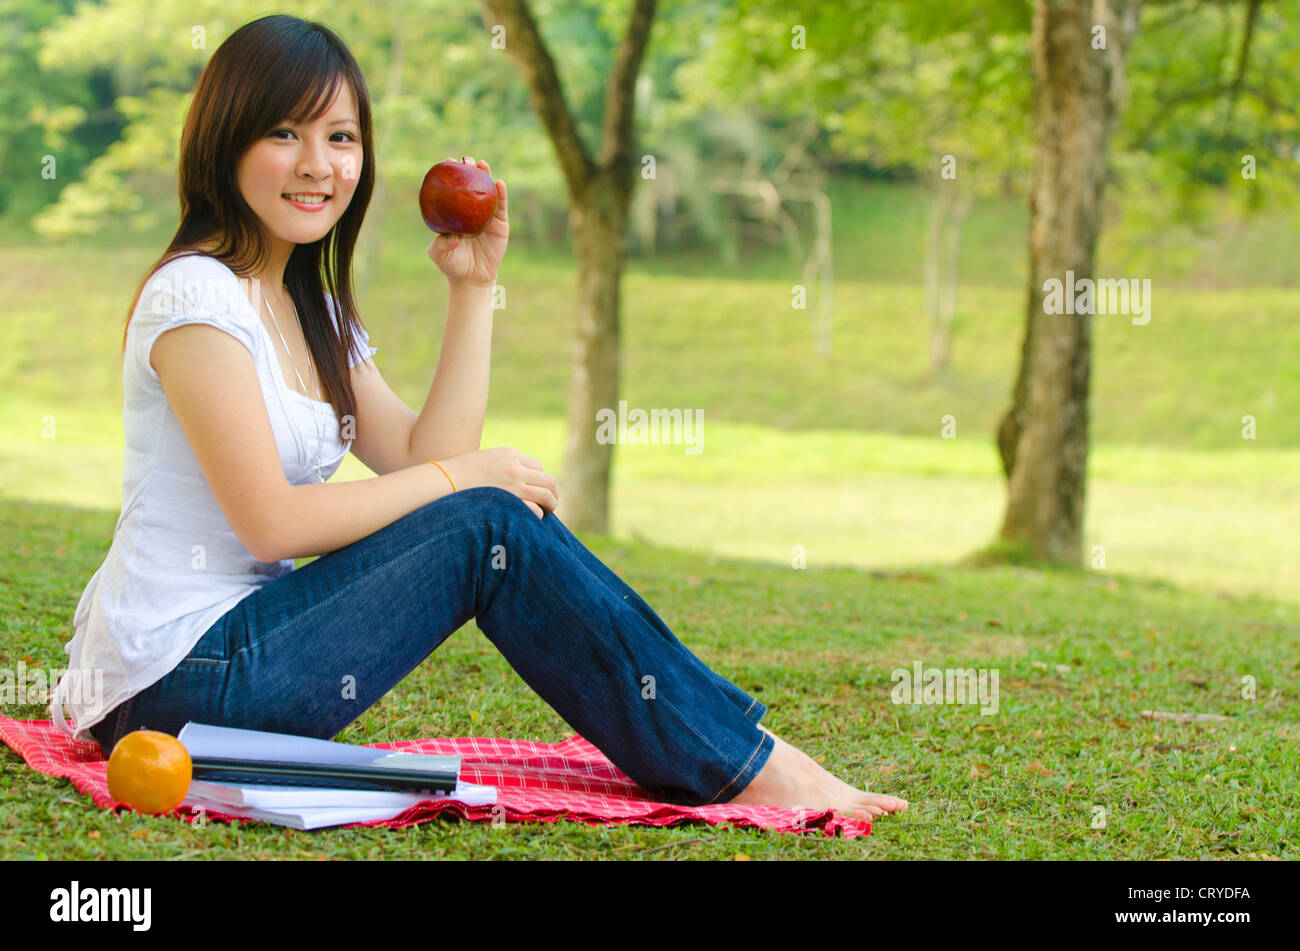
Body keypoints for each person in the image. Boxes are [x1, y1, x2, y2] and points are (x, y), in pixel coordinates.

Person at [49, 14, 907, 820]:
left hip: (248, 662)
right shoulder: (196, 296)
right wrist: (467, 481)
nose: (319, 164)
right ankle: (746, 762)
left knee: (486, 519)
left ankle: (734, 749)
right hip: (176, 687)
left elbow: (429, 457)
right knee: (487, 517)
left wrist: (473, 288)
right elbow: (273, 522)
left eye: (340, 137)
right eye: (284, 133)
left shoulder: (310, 306)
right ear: (224, 143)